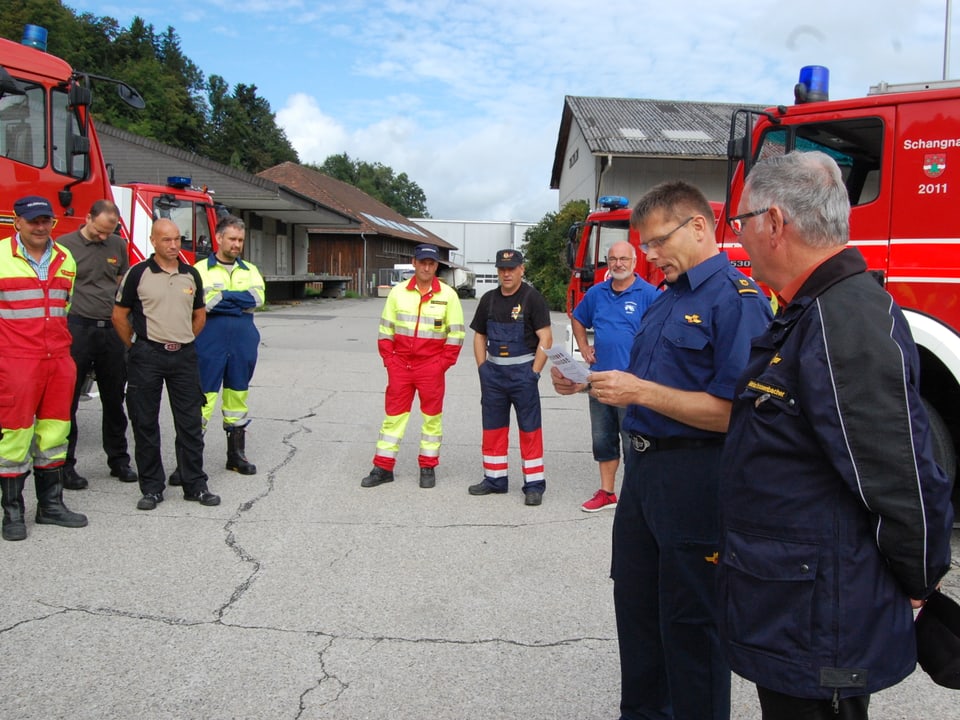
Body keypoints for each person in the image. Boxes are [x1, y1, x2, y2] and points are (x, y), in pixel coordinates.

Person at [717, 151, 954, 719]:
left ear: (774, 223)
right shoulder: (813, 309)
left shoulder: (842, 318)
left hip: (820, 613)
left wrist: (918, 578)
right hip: (796, 601)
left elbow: (901, 475)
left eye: (741, 223)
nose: (741, 239)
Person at [552, 181, 772, 720]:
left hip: (696, 477)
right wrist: (590, 381)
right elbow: (649, 382)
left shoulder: (737, 302)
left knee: (691, 626)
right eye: (643, 245)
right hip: (643, 473)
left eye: (655, 243)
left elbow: (737, 414)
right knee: (638, 613)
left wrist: (638, 392)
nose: (648, 255)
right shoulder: (664, 299)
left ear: (699, 227)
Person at [113, 218, 220, 511]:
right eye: (166, 240)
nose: (173, 245)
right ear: (153, 242)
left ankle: (195, 485)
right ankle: (152, 488)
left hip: (184, 357)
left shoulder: (190, 275)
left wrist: (183, 339)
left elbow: (199, 315)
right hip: (147, 356)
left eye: (177, 239)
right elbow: (119, 316)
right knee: (145, 422)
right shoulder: (137, 274)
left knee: (189, 424)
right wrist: (136, 346)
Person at [0, 196, 88, 541]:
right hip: (16, 360)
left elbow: (63, 306)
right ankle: (12, 512)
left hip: (58, 359)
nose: (40, 227)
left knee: (54, 435)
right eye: (33, 221)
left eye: (46, 221)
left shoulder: (65, 259)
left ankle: (51, 506)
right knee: (14, 437)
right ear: (16, 222)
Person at [361, 243, 464, 489]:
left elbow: (456, 335)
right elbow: (385, 331)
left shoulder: (448, 295)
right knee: (393, 418)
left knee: (432, 419)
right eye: (423, 262)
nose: (427, 267)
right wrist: (390, 360)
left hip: (431, 367)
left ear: (436, 265)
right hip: (400, 366)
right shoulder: (397, 293)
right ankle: (383, 467)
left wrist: (441, 365)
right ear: (414, 263)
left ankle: (428, 467)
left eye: (431, 263)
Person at [570, 240, 658, 512]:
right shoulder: (597, 293)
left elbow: (661, 332)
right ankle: (607, 493)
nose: (618, 263)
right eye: (612, 259)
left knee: (635, 442)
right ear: (607, 263)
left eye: (623, 258)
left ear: (634, 261)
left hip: (633, 384)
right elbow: (577, 317)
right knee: (603, 439)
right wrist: (584, 347)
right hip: (599, 381)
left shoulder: (649, 294)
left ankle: (636, 497)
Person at [58, 199, 137, 489]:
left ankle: (119, 460)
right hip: (78, 327)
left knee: (114, 399)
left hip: (111, 330)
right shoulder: (64, 245)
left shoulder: (117, 245)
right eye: (101, 230)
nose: (105, 236)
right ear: (88, 217)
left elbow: (119, 282)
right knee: (67, 400)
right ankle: (65, 464)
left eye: (110, 231)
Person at [469, 249, 552, 506]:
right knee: (493, 429)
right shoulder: (489, 300)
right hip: (493, 376)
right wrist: (483, 368)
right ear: (497, 270)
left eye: (512, 268)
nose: (507, 273)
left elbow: (546, 338)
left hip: (523, 375)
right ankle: (495, 479)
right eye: (502, 269)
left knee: (530, 430)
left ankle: (534, 485)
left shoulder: (532, 298)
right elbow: (479, 335)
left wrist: (534, 373)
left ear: (521, 269)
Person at [192, 215, 265, 475]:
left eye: (240, 240)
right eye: (232, 239)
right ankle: (190, 463)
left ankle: (236, 456)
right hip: (209, 340)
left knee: (237, 397)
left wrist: (221, 296)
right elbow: (203, 303)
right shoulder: (199, 270)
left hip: (243, 341)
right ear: (219, 238)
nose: (236, 244)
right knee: (203, 399)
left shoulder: (250, 270)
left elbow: (257, 299)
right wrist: (234, 300)